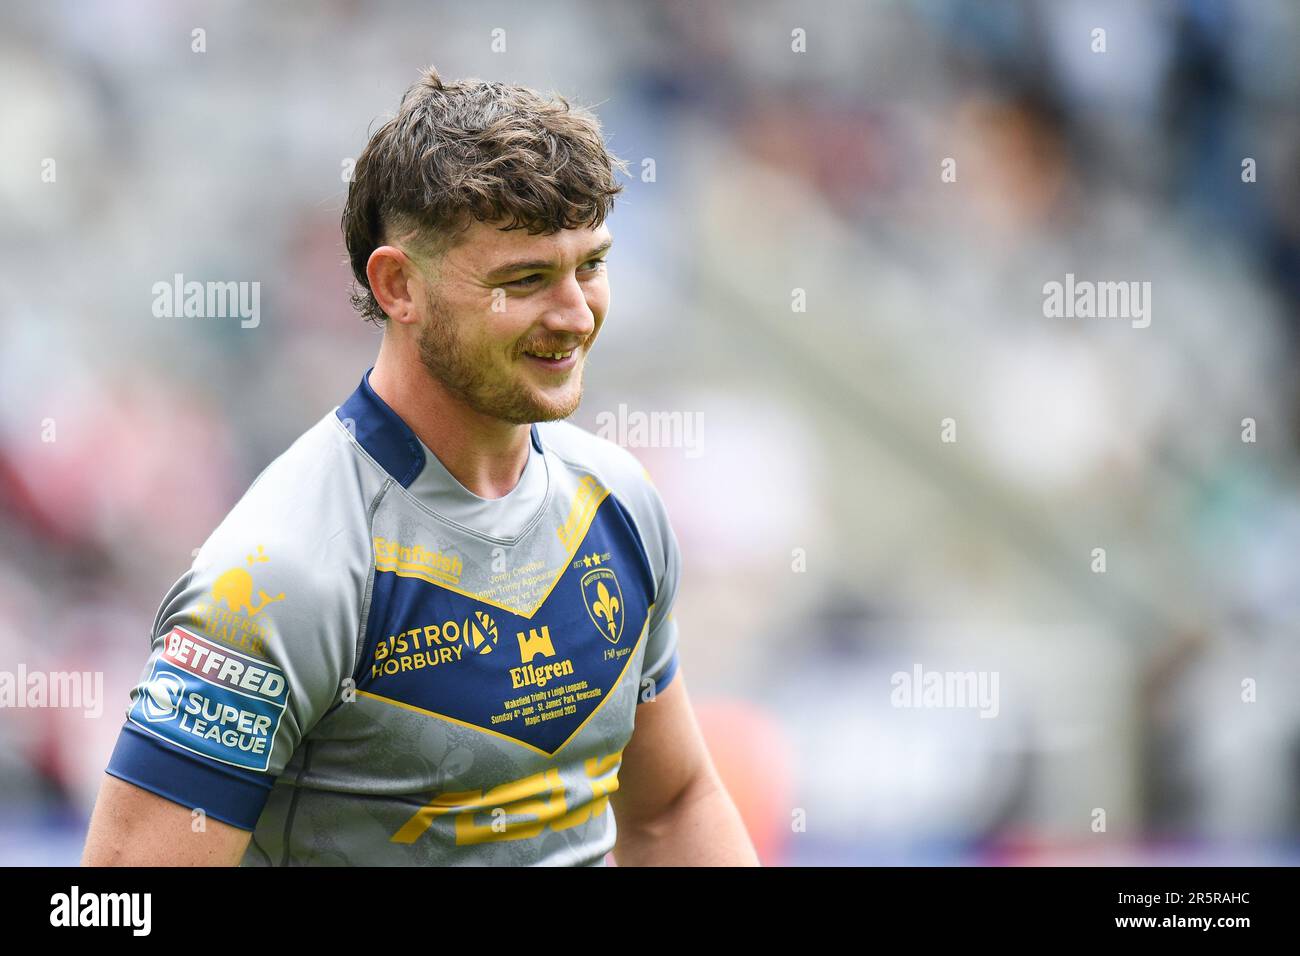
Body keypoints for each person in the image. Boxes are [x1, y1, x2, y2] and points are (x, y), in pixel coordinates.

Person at [81, 65, 757, 866]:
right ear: (399, 285)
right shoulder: (280, 577)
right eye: (526, 279)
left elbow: (673, 808)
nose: (577, 315)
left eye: (592, 265)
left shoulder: (616, 502)